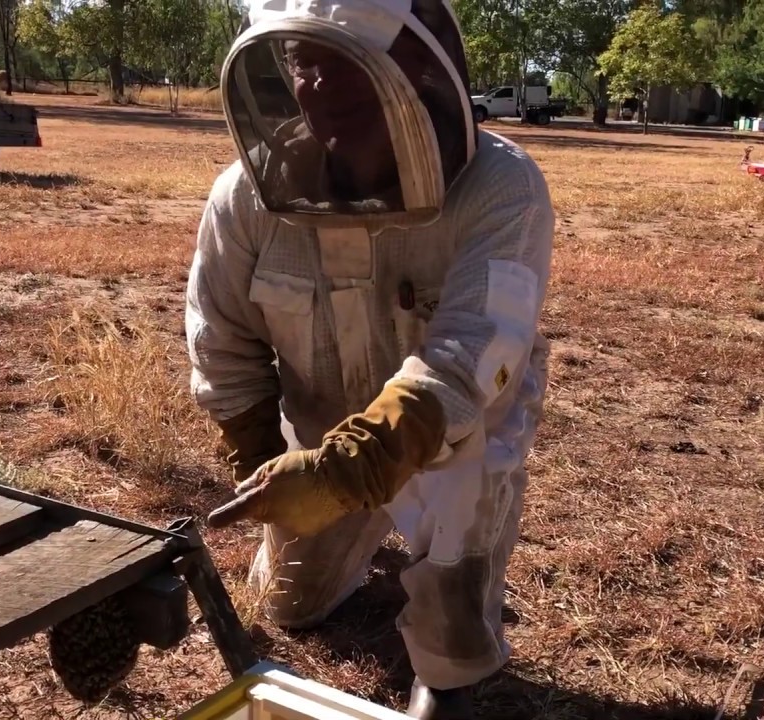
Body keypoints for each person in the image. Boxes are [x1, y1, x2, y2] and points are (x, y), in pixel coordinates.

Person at [185, 1, 554, 717]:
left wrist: (352, 468)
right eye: (304, 64)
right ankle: (363, 534)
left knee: (460, 530)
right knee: (289, 607)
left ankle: (449, 664)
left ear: (415, 67)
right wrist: (264, 459)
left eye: (343, 62)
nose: (320, 87)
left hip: (453, 442)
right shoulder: (245, 198)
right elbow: (223, 340)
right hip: (318, 443)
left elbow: (470, 359)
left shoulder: (502, 189)